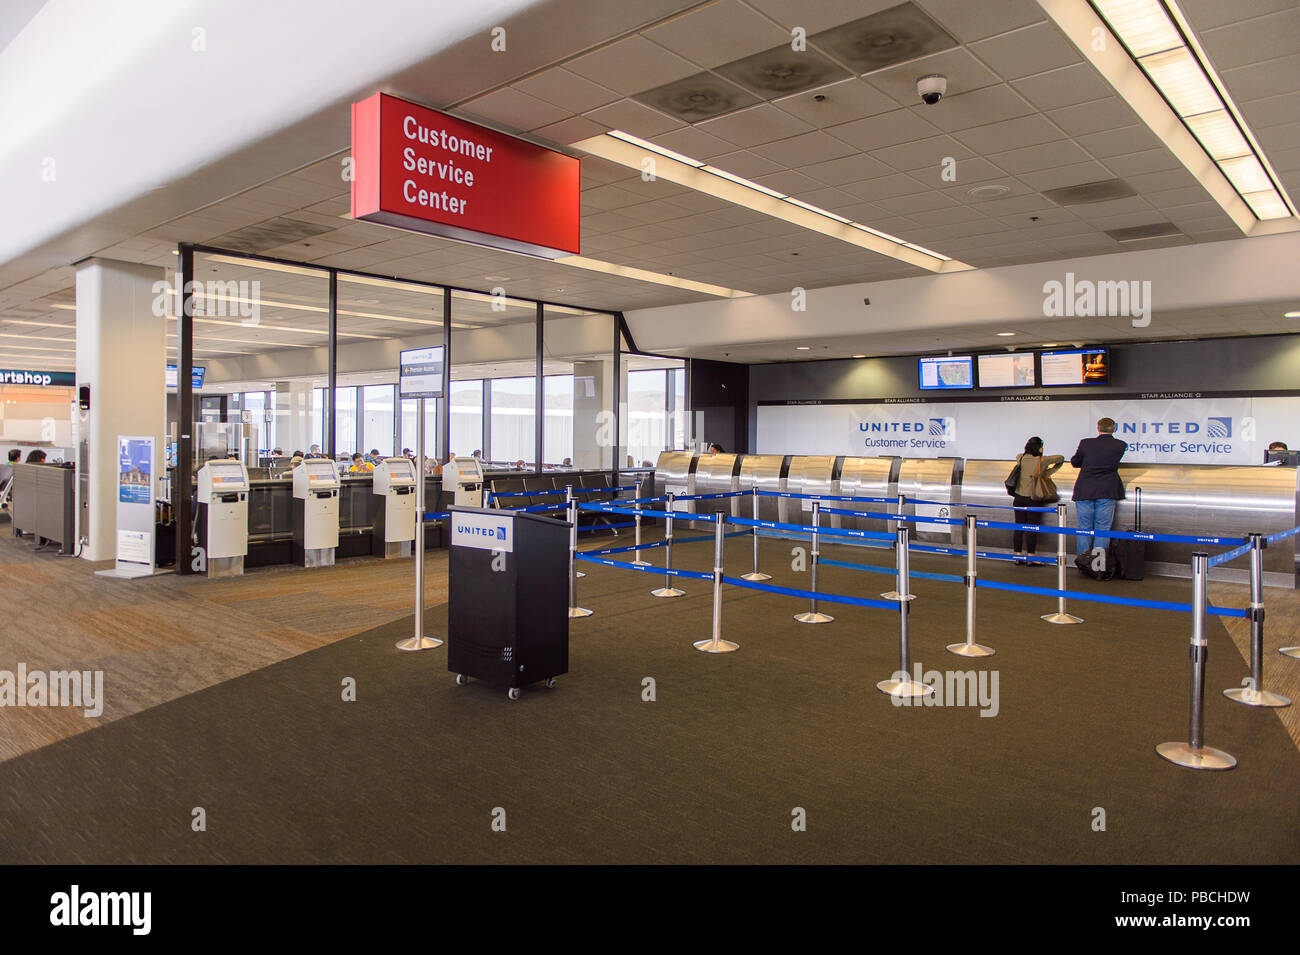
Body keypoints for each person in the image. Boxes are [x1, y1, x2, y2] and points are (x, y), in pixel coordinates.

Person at [1070, 417, 1127, 557]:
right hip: (1108, 489)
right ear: (1114, 429)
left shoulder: (1086, 443)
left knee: (1084, 528)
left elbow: (1075, 462)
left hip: (1085, 489)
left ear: (1098, 428)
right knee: (1103, 528)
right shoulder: (1120, 445)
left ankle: (1083, 561)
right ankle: (1097, 565)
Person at [1010, 436, 1063, 562]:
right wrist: (1048, 472)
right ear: (1040, 448)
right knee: (1031, 528)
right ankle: (1031, 556)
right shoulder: (1042, 460)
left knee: (1019, 526)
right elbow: (1060, 458)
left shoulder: (1020, 457)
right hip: (1033, 499)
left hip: (1018, 498)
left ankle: (1017, 555)